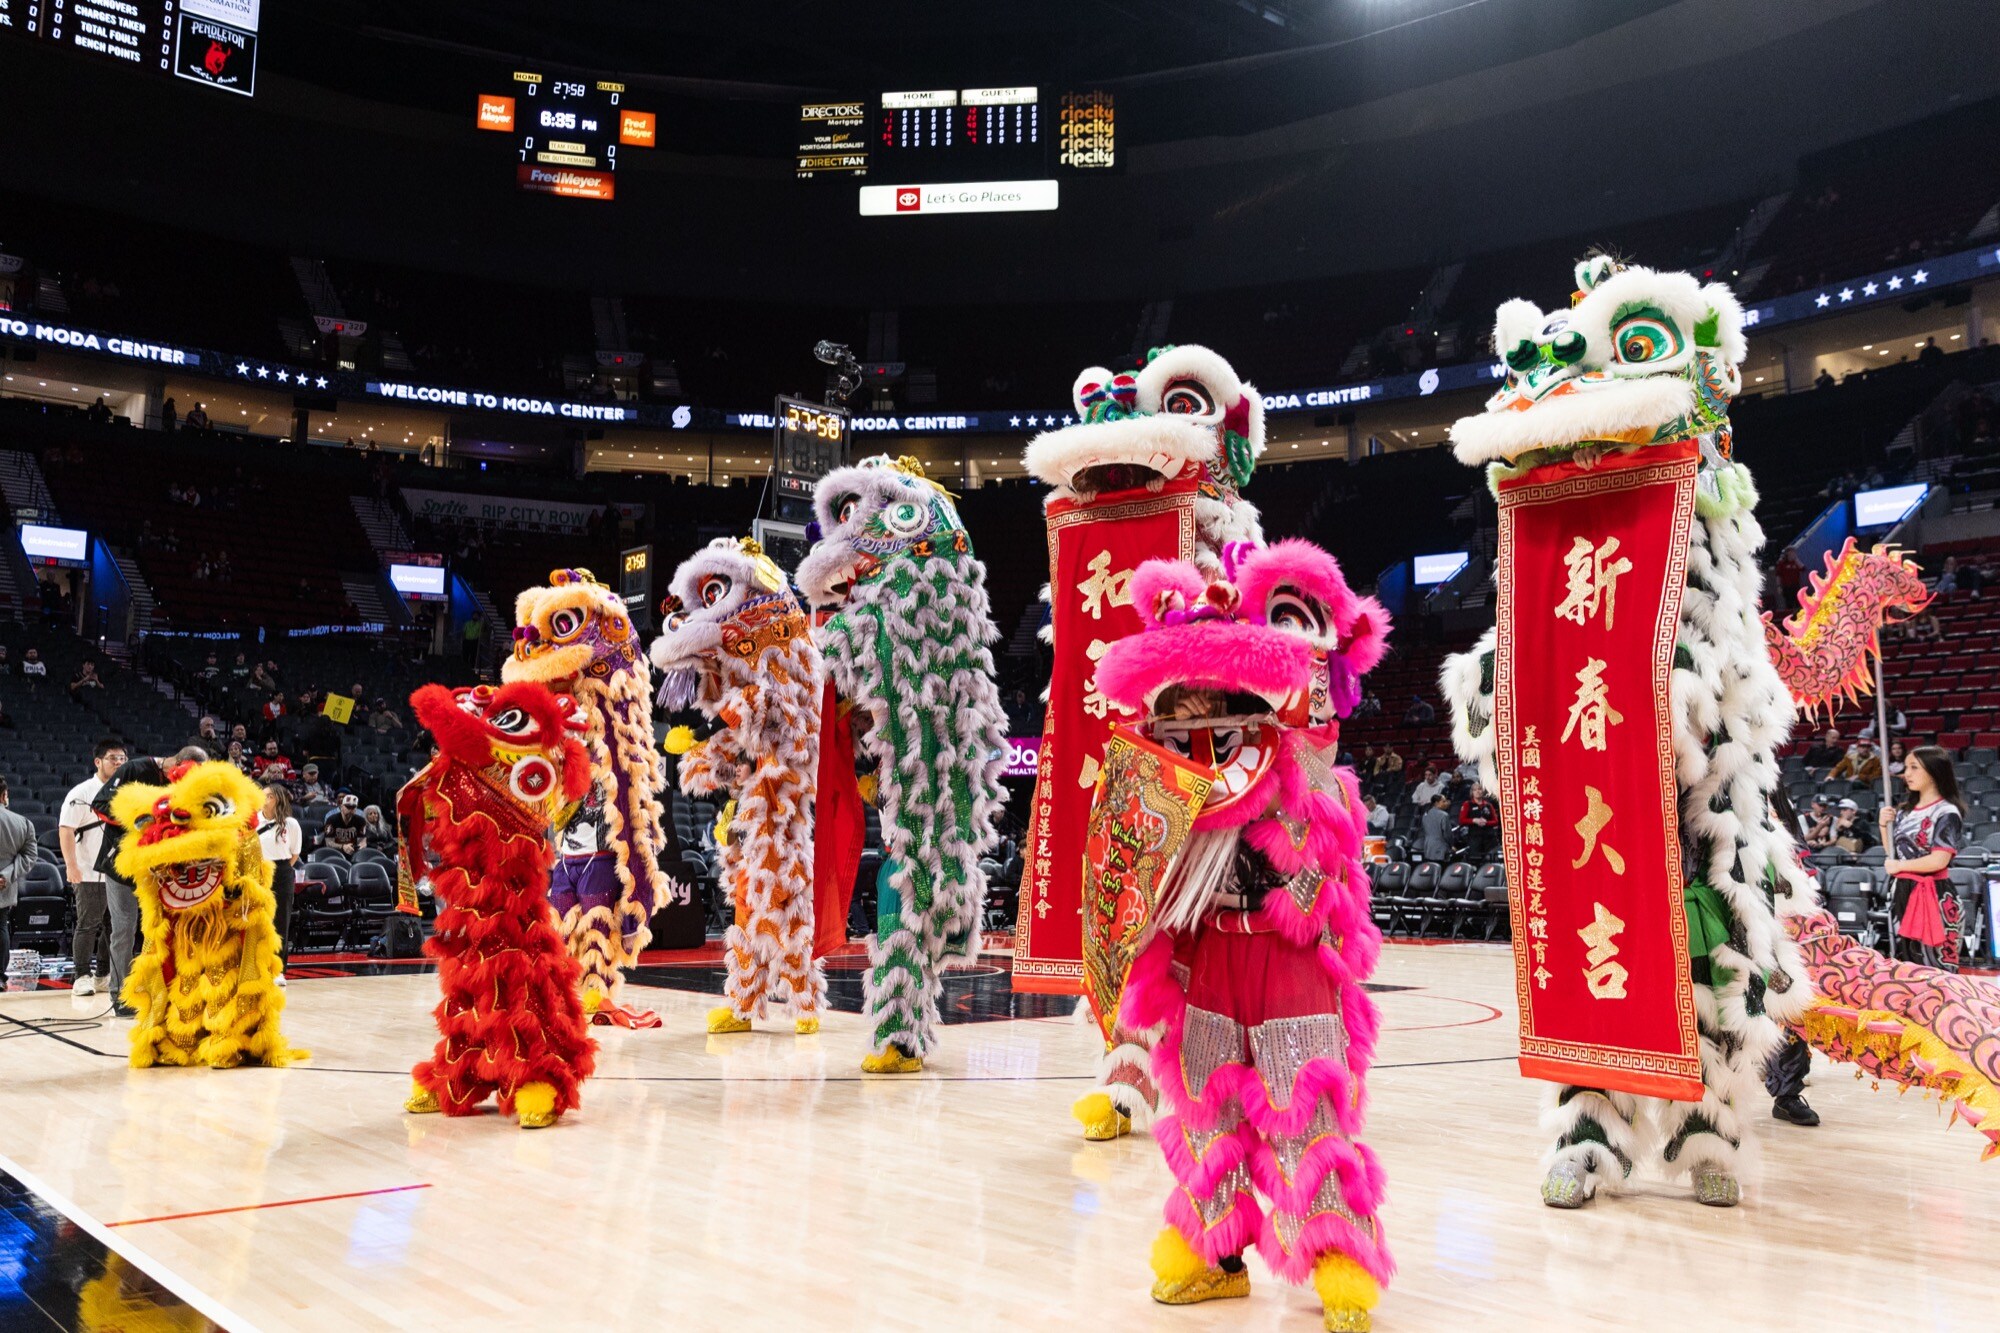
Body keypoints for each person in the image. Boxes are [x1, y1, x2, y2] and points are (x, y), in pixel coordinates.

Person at [93, 745, 210, 1018]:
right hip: (122, 864)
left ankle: (162, 991)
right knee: (124, 929)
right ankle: (121, 995)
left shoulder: (181, 784)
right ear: (177, 763)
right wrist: (140, 820)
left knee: (159, 930)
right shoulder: (135, 768)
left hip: (159, 868)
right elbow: (99, 805)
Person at [1878, 745, 1966, 969]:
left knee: (1935, 963)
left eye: (1914, 767)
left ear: (1935, 772)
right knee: (1906, 963)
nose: (1907, 773)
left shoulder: (1947, 812)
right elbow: (1893, 855)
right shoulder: (1905, 812)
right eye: (1906, 767)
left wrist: (1898, 866)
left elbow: (1939, 860)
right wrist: (1882, 825)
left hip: (1934, 894)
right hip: (1903, 892)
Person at [58, 739, 126, 998]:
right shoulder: (82, 792)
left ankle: (103, 975)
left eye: (122, 759)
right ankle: (81, 975)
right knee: (88, 924)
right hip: (88, 870)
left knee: (114, 926)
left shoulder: (126, 791)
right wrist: (71, 865)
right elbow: (66, 830)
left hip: (117, 871)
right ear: (98, 761)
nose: (118, 763)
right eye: (113, 758)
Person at [257, 783, 302, 984]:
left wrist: (279, 869)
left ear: (276, 799)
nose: (262, 798)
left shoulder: (291, 824)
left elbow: (294, 853)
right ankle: (256, 967)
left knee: (281, 921)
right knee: (257, 920)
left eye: (266, 795)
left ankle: (278, 970)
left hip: (282, 871)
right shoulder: (252, 821)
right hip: (258, 871)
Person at [0, 777, 38, 964]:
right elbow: (29, 857)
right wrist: (5, 876)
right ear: (4, 795)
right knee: (1, 927)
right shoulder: (22, 823)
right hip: (3, 885)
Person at [1457, 782, 1499, 860]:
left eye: (1479, 789)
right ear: (1472, 792)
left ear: (1483, 791)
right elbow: (1461, 820)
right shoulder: (1467, 804)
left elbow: (1496, 821)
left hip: (1489, 838)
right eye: (1475, 790)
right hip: (1475, 838)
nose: (1477, 791)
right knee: (1475, 860)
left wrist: (1486, 823)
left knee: (1491, 860)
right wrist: (1474, 820)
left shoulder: (1488, 805)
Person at [1419, 792, 1453, 862]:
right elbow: (1447, 834)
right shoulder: (1444, 815)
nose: (1446, 803)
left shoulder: (1425, 814)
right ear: (1436, 803)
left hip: (1428, 848)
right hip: (1441, 849)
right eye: (1443, 801)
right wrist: (1451, 845)